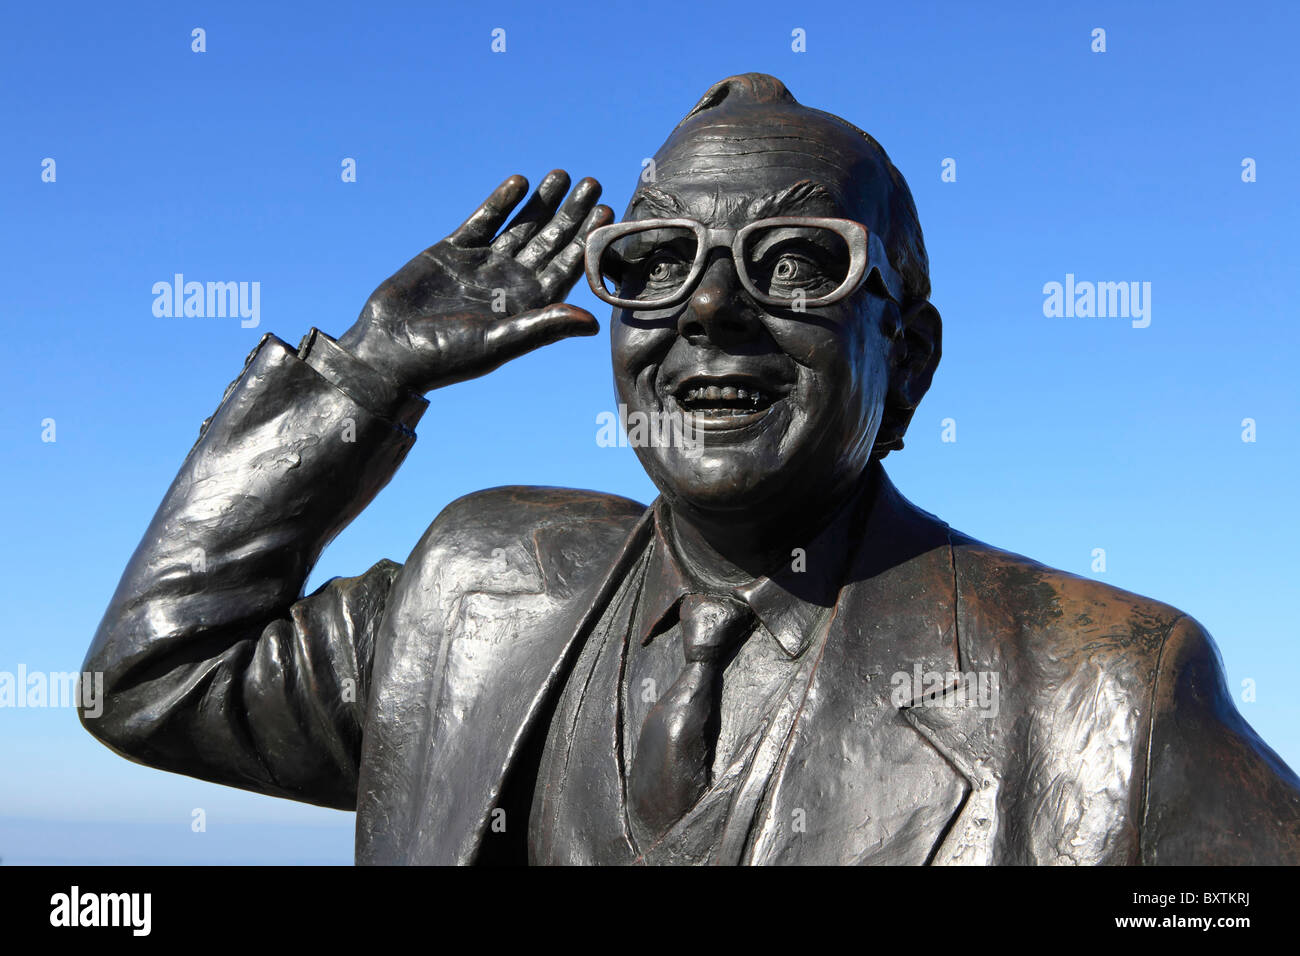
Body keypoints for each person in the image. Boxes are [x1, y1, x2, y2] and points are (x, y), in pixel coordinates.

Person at [81, 73, 1300, 864]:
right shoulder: (473, 585)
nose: (708, 307)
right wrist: (363, 376)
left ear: (908, 356)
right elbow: (153, 678)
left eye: (795, 261)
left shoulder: (1105, 697)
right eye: (653, 261)